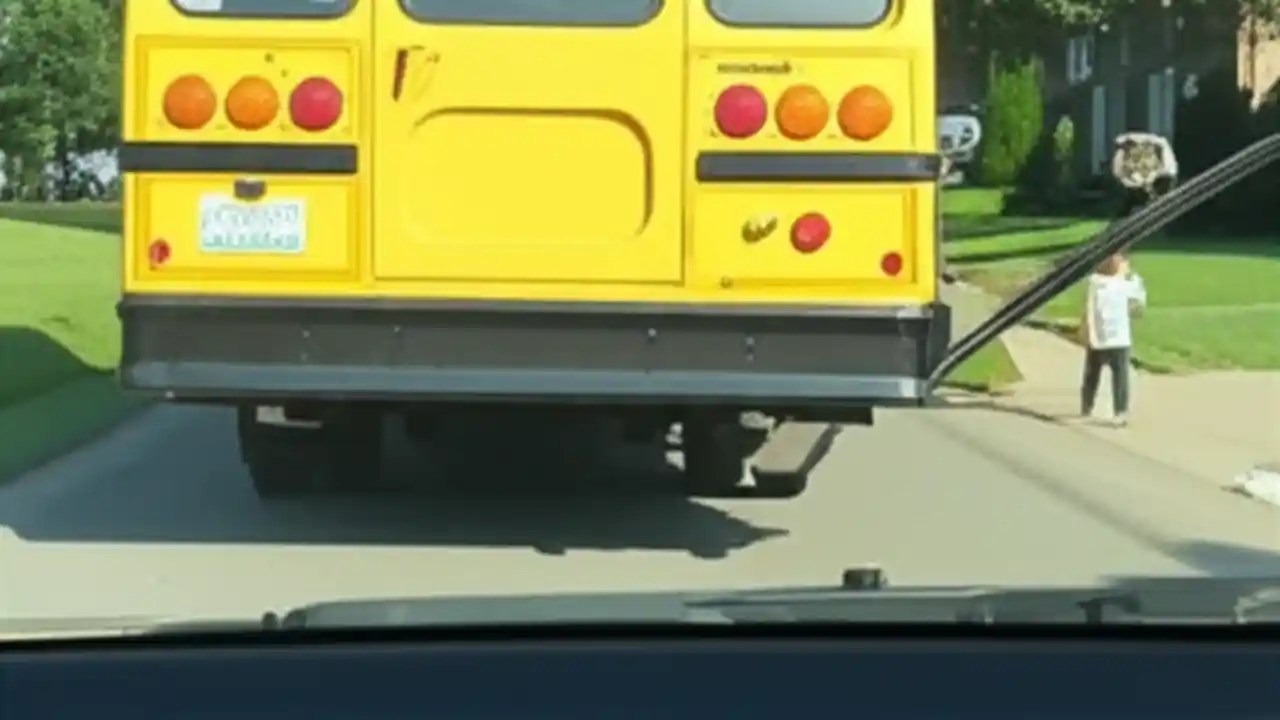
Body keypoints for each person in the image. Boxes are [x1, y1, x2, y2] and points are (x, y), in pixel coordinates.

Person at [1079, 252, 1147, 427]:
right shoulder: (1095, 282)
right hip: (1098, 335)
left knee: (1121, 375)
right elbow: (1088, 307)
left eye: (1120, 259)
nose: (1116, 262)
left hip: (1120, 337)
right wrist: (1085, 329)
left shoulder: (1127, 283)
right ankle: (1087, 404)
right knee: (1092, 373)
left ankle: (1121, 410)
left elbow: (1138, 308)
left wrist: (1135, 286)